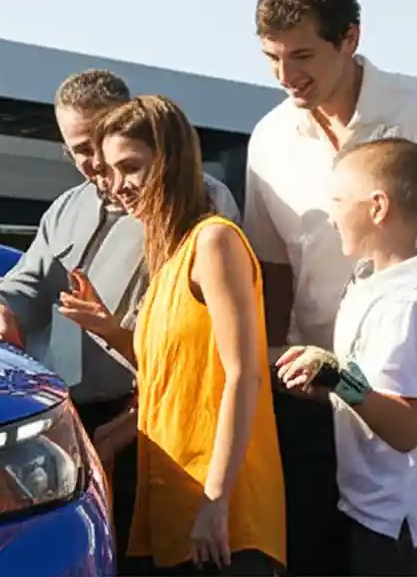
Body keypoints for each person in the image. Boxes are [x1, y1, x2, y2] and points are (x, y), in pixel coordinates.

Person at [243, 0, 417, 576]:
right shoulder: (268, 139)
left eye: (303, 55)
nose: (287, 77)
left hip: (407, 394)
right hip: (313, 402)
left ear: (350, 38)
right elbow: (275, 273)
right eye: (272, 58)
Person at [0, 69, 239, 571]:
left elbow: (207, 346)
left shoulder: (199, 204)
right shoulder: (67, 209)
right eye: (79, 150)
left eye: (101, 143)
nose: (95, 164)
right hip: (75, 423)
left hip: (150, 424)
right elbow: (28, 279)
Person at [60, 94, 286, 575]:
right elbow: (174, 377)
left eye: (131, 167)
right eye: (109, 172)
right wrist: (110, 331)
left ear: (172, 162)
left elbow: (243, 376)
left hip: (223, 524)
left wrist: (216, 500)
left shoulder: (215, 242)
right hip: (169, 517)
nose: (117, 186)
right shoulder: (168, 264)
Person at [276, 137, 417, 576]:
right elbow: (371, 394)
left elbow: (406, 426)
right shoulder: (370, 285)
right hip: (380, 513)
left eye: (337, 201)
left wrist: (335, 377)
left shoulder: (407, 305)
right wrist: (322, 388)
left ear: (377, 207)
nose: (330, 215)